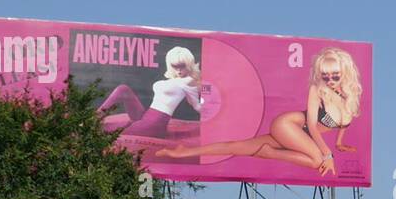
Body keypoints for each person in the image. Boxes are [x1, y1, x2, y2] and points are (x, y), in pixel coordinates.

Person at [155, 48, 362, 175]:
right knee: (318, 160)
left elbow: (343, 123)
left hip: (299, 135)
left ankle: (185, 151)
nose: (330, 80)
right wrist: (328, 155)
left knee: (238, 147)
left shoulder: (350, 98)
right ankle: (269, 153)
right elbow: (314, 129)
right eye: (325, 76)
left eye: (335, 75)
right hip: (290, 126)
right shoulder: (317, 90)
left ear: (345, 72)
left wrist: (339, 144)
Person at [97, 46, 204, 138]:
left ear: (189, 64)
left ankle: (92, 122)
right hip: (145, 115)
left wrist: (214, 111)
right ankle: (95, 117)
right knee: (123, 89)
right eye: (175, 66)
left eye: (182, 66)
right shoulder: (174, 80)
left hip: (154, 125)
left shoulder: (189, 81)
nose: (179, 70)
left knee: (109, 131)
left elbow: (197, 106)